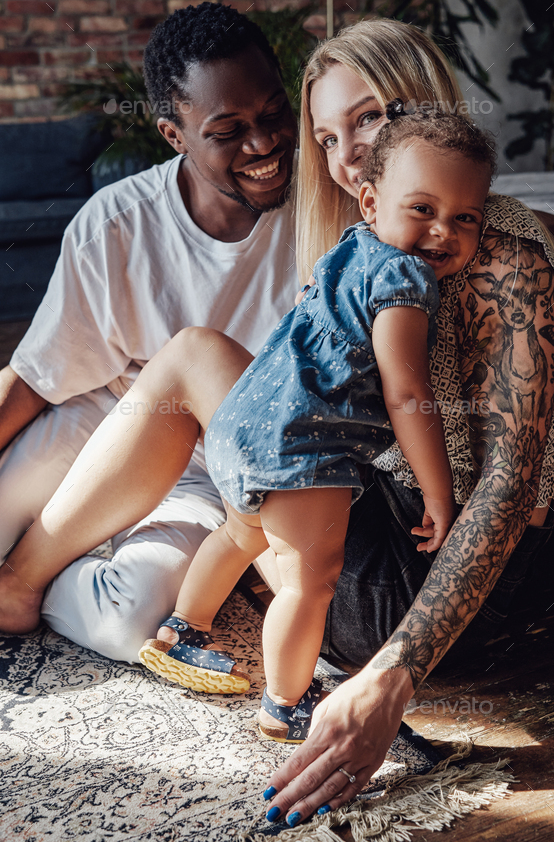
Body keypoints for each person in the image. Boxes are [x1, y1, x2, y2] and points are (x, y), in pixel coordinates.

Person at [0, 15, 554, 828]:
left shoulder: (503, 249)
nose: (346, 156)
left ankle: (45, 586)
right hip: (376, 549)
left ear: (424, 103)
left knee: (197, 362)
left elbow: (507, 488)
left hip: (422, 591)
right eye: (328, 137)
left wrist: (391, 676)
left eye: (369, 119)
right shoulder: (372, 240)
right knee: (204, 377)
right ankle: (70, 589)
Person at [137, 107, 494, 744]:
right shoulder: (405, 278)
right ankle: (285, 703)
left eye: (465, 217)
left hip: (243, 421)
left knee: (240, 533)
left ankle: (181, 631)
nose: (442, 231)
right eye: (422, 209)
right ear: (371, 202)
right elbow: (407, 394)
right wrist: (439, 493)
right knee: (310, 580)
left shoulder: (351, 248)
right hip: (305, 448)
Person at [0, 3, 299, 657]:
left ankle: (30, 577)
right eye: (229, 130)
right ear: (174, 135)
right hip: (107, 419)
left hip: (211, 469)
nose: (263, 144)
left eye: (274, 112)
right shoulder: (116, 222)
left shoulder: (324, 214)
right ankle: (50, 548)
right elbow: (35, 378)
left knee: (123, 621)